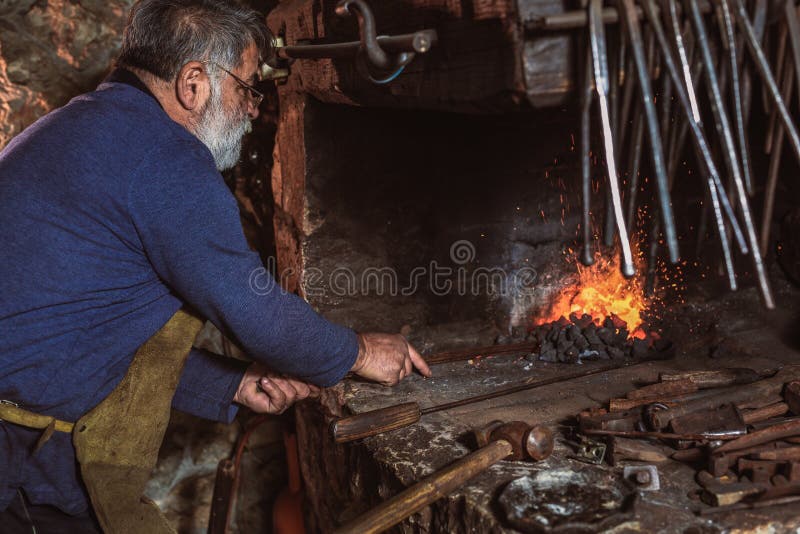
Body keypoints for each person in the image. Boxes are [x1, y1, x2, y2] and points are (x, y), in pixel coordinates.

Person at [0, 0, 431, 531]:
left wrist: (231, 384)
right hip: (18, 466)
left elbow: (84, 343)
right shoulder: (164, 159)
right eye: (247, 87)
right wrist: (360, 351)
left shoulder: (79, 126)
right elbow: (256, 310)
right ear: (194, 82)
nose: (253, 108)